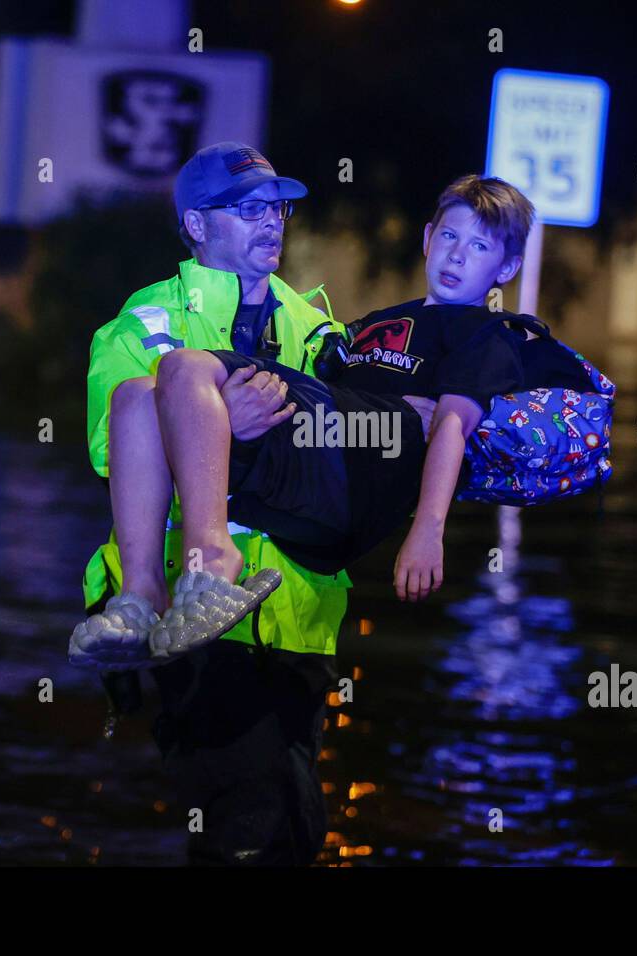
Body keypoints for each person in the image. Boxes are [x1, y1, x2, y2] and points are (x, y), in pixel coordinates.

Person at [82, 141, 434, 866]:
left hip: (300, 620)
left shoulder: (318, 330)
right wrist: (220, 429)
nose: (271, 221)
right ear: (197, 225)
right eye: (248, 209)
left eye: (276, 207)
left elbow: (357, 443)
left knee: (289, 821)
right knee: (255, 821)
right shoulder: (148, 322)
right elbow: (109, 448)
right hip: (199, 620)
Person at [71, 174, 536, 669]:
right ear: (426, 238)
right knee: (138, 395)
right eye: (449, 236)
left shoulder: (485, 337)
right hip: (296, 468)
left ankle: (211, 559)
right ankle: (142, 599)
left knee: (183, 367)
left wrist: (426, 531)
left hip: (339, 486)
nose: (458, 254)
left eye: (479, 245)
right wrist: (228, 417)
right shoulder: (369, 326)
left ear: (507, 266)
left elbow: (448, 430)